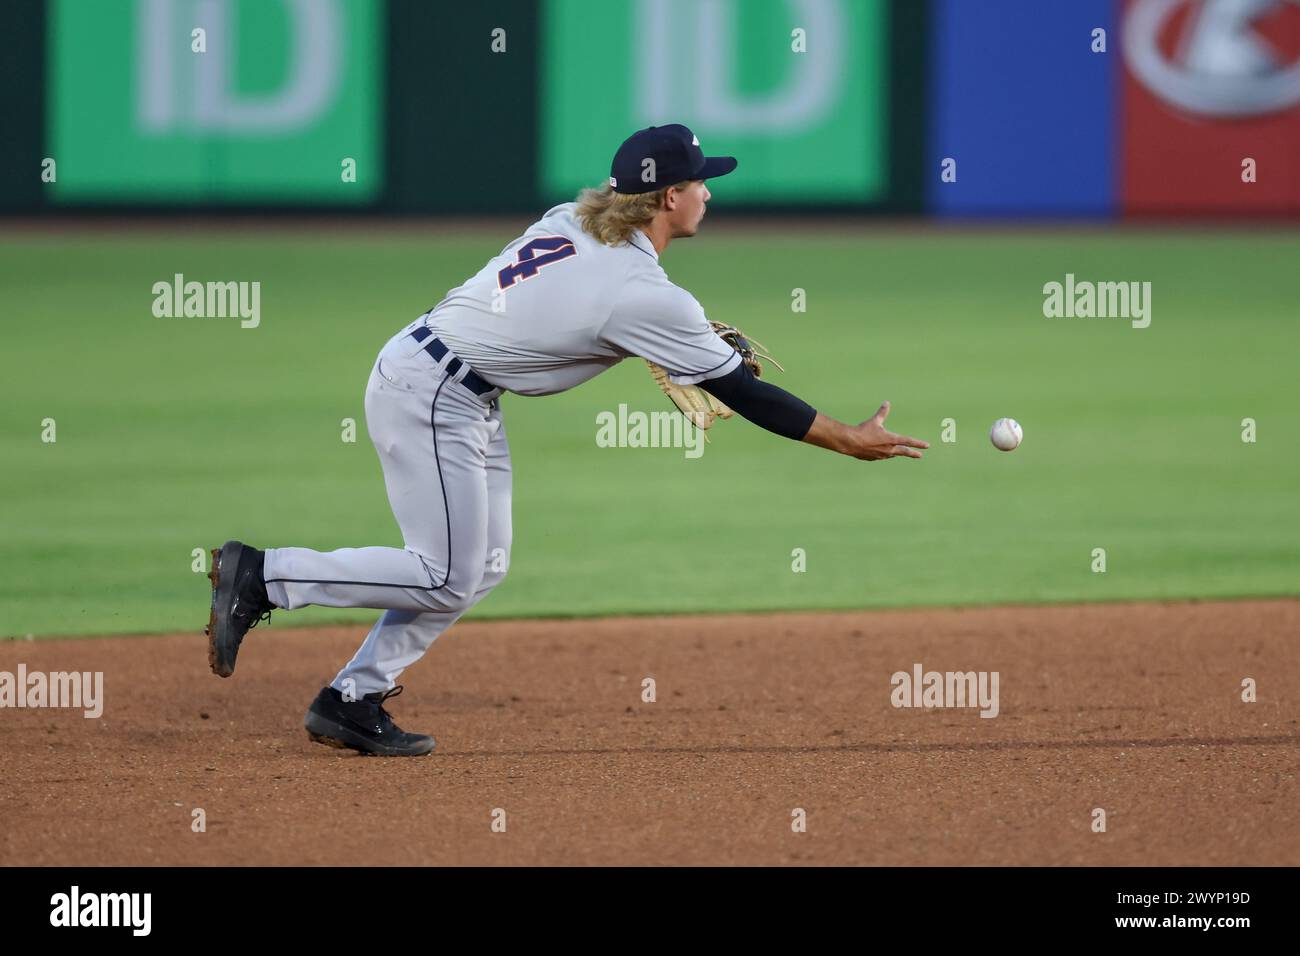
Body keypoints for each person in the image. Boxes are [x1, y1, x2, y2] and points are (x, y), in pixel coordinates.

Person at [204, 124, 928, 756]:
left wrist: (663, 342)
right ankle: (266, 575)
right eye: (701, 182)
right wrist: (849, 439)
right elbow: (746, 393)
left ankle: (351, 699)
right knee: (444, 573)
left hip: (447, 380)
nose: (709, 192)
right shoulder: (646, 296)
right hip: (432, 394)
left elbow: (553, 307)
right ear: (671, 197)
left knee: (479, 564)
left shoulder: (573, 221)